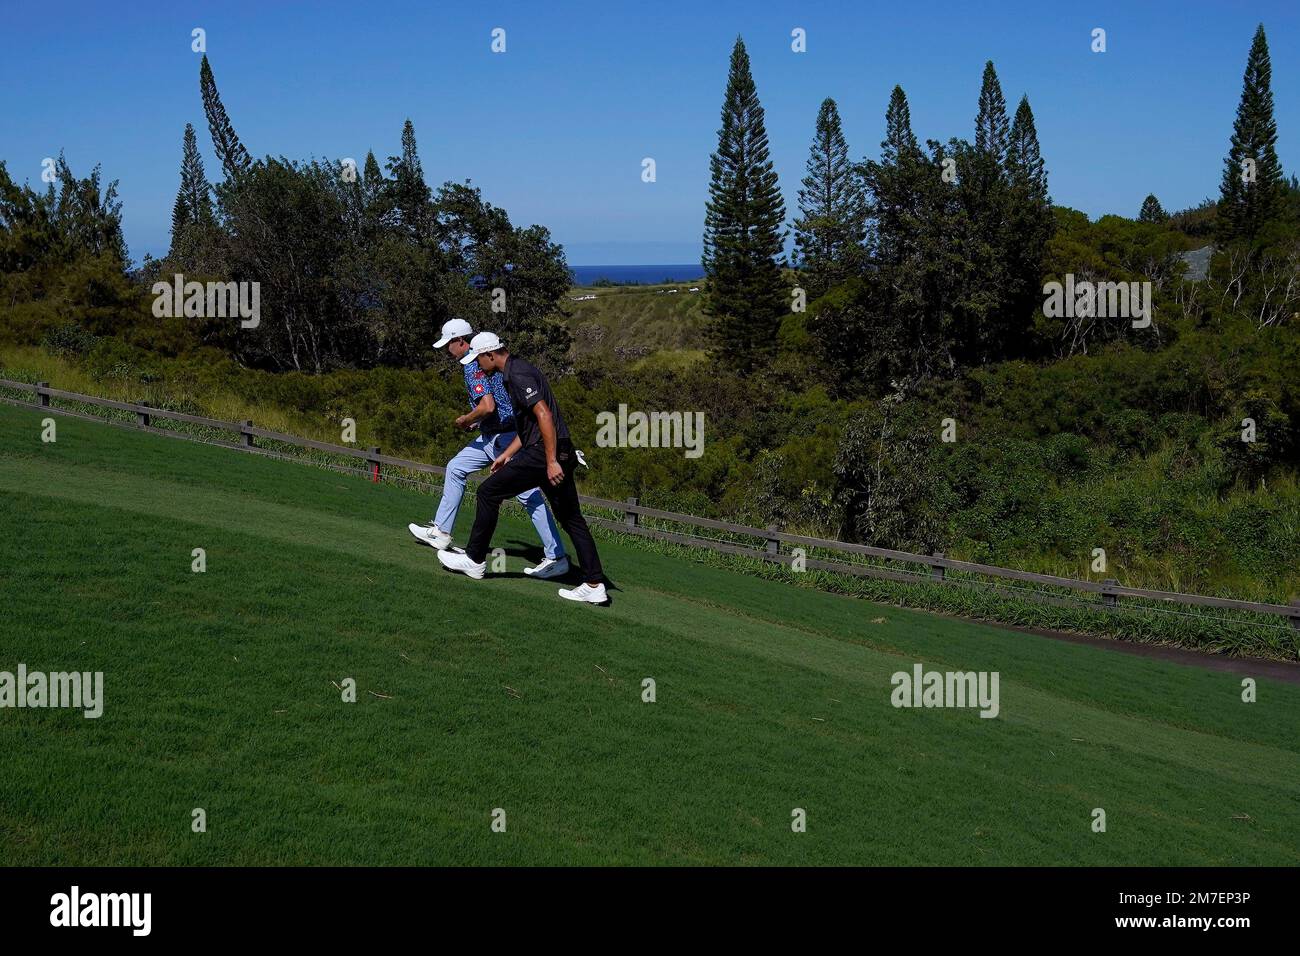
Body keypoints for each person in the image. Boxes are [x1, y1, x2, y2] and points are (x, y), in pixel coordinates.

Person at [437, 332, 608, 605]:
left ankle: (474, 560)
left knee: (488, 492)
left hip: (545, 453)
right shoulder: (516, 370)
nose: (478, 366)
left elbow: (544, 416)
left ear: (491, 354)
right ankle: (594, 583)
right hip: (555, 449)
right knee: (571, 518)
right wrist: (507, 454)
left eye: (479, 359)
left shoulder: (517, 375)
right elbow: (530, 424)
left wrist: (550, 461)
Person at [407, 319, 569, 580]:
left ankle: (556, 556)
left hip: (504, 439)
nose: (447, 350)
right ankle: (441, 532)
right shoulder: (479, 361)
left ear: (461, 341)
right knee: (456, 467)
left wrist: (466, 419)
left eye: (448, 344)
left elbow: (488, 405)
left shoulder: (473, 365)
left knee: (528, 495)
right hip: (491, 435)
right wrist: (479, 420)